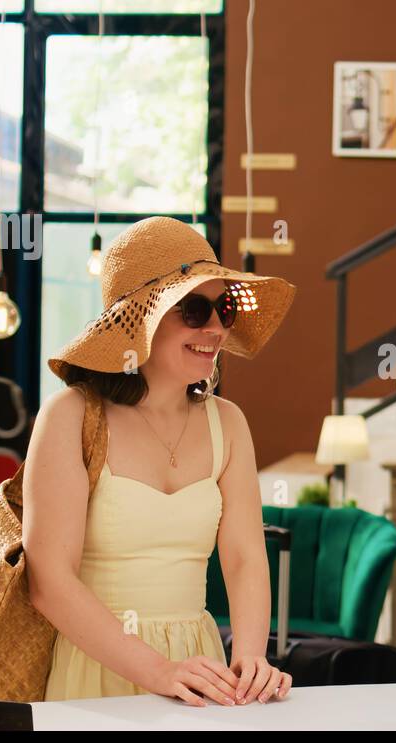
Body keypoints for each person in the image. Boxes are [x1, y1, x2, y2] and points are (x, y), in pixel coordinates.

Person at [25, 216, 297, 707]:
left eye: (224, 308)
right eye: (194, 309)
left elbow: (244, 558)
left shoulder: (228, 423)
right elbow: (48, 581)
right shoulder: (69, 416)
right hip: (97, 667)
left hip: (200, 668)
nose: (214, 328)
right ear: (139, 319)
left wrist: (252, 658)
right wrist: (159, 671)